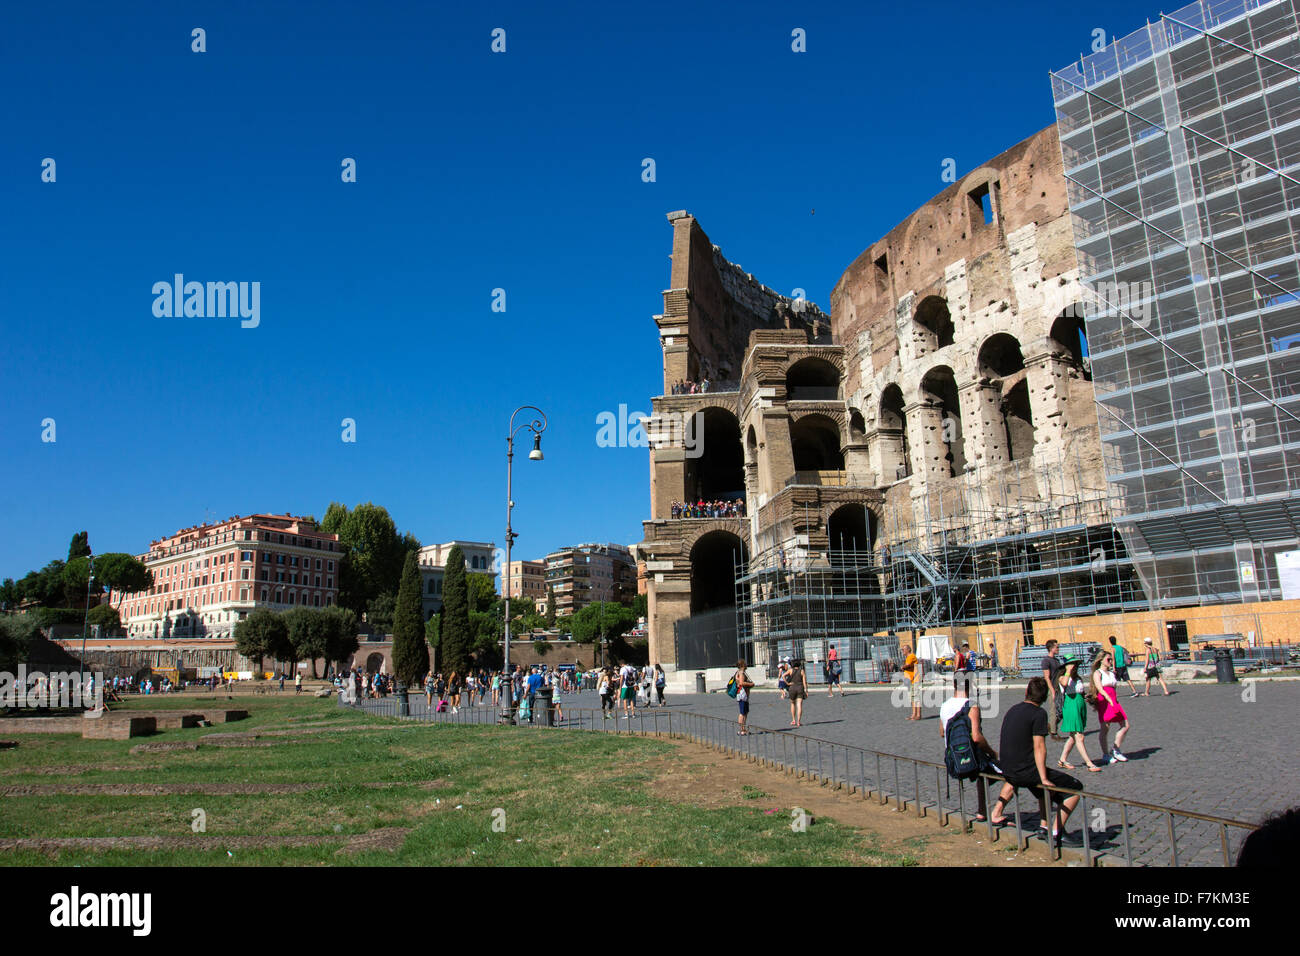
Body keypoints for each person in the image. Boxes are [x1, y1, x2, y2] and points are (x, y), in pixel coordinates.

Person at [988, 677, 1083, 846]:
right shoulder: (1039, 713)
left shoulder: (1012, 709)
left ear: (1026, 692)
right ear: (1045, 698)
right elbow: (1040, 747)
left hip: (1007, 768)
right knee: (1075, 789)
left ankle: (1042, 826)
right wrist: (1044, 778)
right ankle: (1056, 832)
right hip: (1024, 771)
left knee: (1033, 783)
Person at [940, 675, 1000, 822]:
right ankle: (988, 811)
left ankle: (981, 810)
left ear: (954, 686)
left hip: (952, 757)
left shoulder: (944, 705)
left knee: (983, 767)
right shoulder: (971, 705)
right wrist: (992, 753)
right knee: (997, 769)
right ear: (969, 687)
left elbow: (942, 733)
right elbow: (977, 737)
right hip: (970, 758)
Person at [1057, 659, 1102, 773]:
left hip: (1079, 704)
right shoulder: (1063, 677)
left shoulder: (1078, 678)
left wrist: (1088, 698)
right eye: (1073, 665)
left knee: (1073, 736)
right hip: (1071, 706)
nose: (1075, 667)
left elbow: (1080, 692)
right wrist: (1068, 671)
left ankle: (1062, 759)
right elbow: (1065, 683)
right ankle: (1089, 763)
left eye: (1076, 665)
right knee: (1079, 736)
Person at [1091, 650, 1131, 764]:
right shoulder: (1097, 673)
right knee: (1105, 727)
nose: (1110, 661)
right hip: (1104, 700)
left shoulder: (1112, 673)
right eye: (1108, 659)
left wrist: (1114, 700)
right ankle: (1105, 754)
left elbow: (1114, 688)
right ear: (1101, 660)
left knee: (1125, 725)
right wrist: (1108, 699)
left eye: (1111, 659)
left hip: (1114, 699)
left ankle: (1115, 749)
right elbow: (1100, 688)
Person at [1041, 640, 1064, 738]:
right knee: (1054, 710)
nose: (1058, 649)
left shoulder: (1057, 660)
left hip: (1060, 687)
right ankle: (1054, 733)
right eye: (1056, 647)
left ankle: (1051, 725)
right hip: (1052, 688)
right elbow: (1047, 677)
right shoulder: (1046, 661)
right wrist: (1052, 690)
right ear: (1051, 648)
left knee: (1062, 710)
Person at [732, 659, 754, 735]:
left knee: (745, 712)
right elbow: (741, 683)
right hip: (742, 694)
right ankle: (741, 729)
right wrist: (750, 684)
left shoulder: (739, 672)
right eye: (745, 663)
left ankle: (743, 729)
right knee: (742, 712)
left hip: (743, 694)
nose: (746, 664)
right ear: (742, 665)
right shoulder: (741, 673)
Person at [901, 645, 922, 721]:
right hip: (910, 680)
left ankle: (918, 715)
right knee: (912, 698)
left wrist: (903, 667)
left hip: (915, 679)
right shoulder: (908, 657)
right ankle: (913, 714)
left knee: (916, 697)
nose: (902, 651)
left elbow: (908, 665)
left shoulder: (911, 656)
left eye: (903, 649)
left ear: (908, 650)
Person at [786, 659, 808, 727]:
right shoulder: (802, 671)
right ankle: (798, 721)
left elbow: (783, 676)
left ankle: (793, 720)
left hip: (792, 688)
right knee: (799, 705)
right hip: (800, 688)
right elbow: (804, 682)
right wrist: (806, 690)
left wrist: (787, 683)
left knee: (792, 704)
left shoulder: (790, 670)